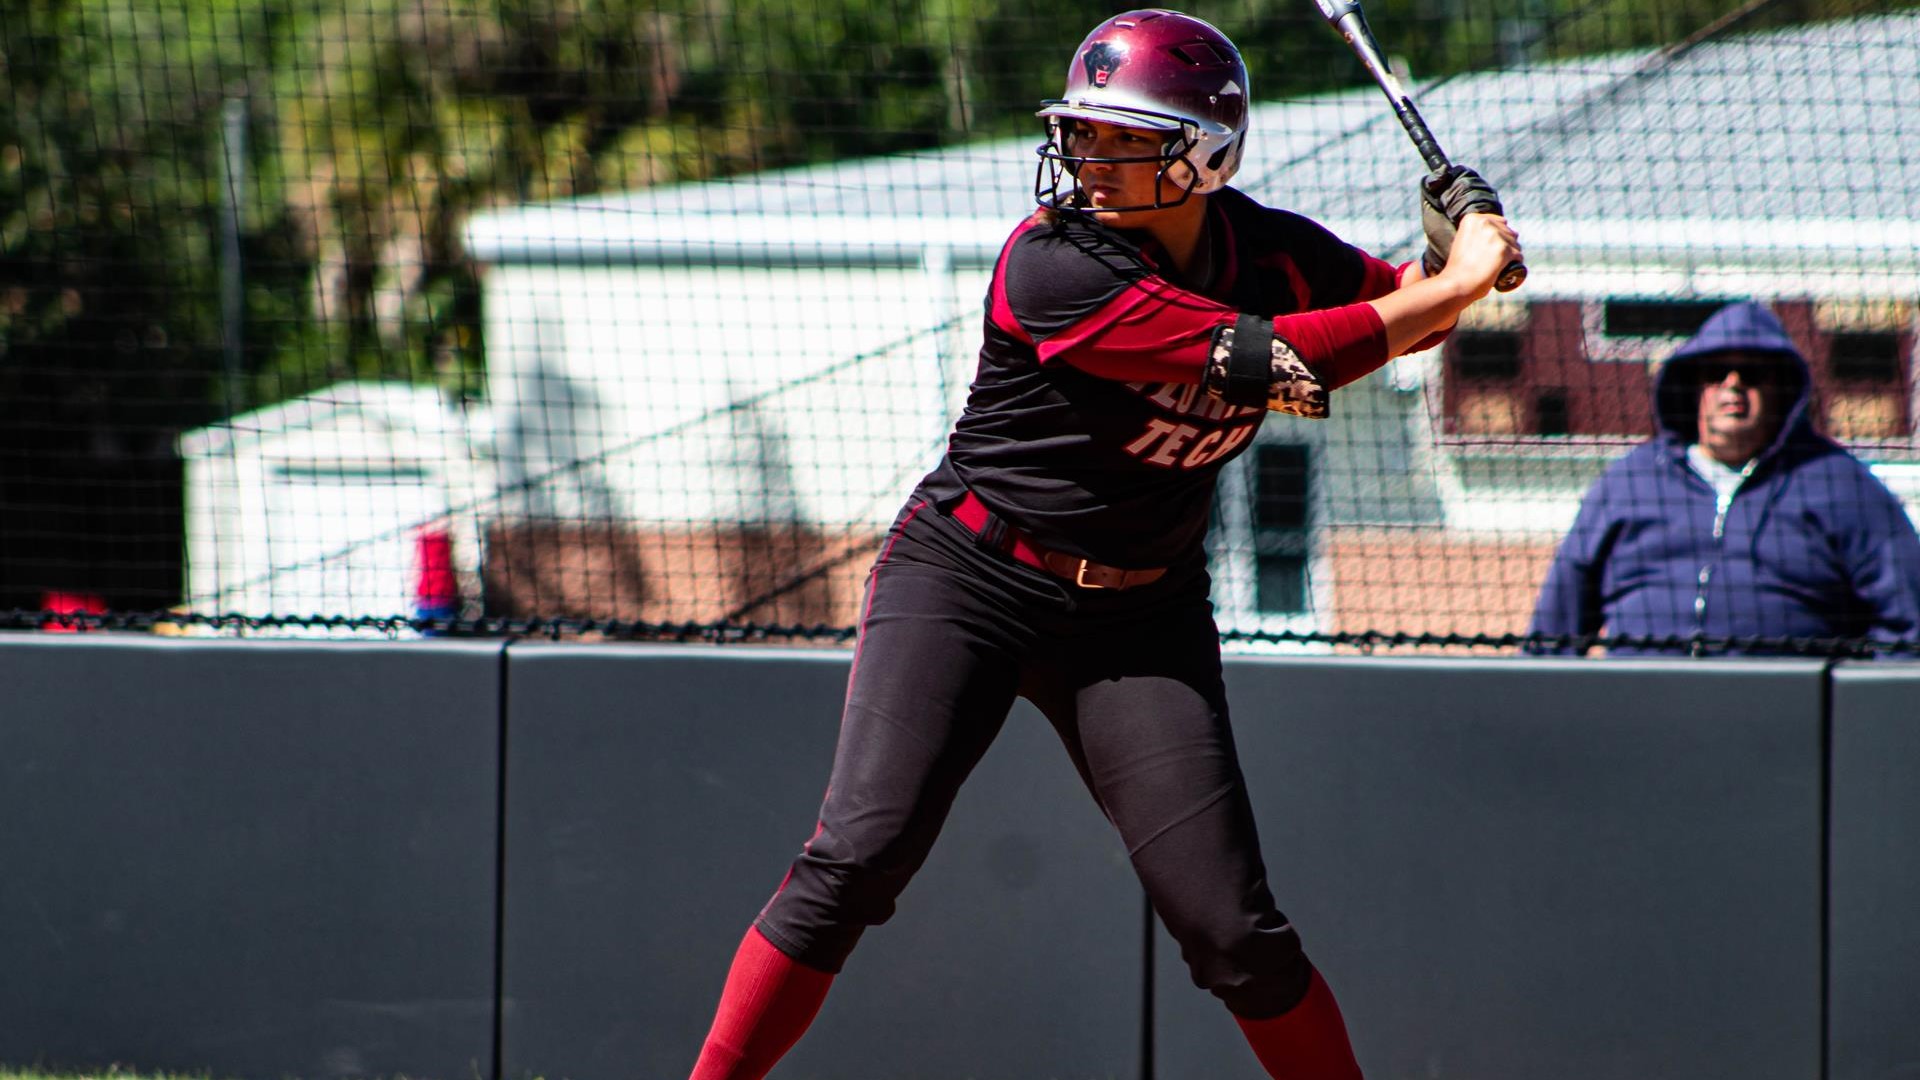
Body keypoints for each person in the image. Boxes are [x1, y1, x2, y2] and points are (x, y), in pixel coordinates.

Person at [686, 10, 1522, 1078]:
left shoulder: (1262, 247)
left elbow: (1405, 313)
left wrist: (1454, 252)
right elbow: (1278, 364)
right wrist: (1456, 285)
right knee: (857, 858)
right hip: (971, 579)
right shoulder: (1053, 265)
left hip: (1141, 616)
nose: (1092, 156)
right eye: (1084, 132)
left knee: (1234, 933)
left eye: (1129, 137)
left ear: (1209, 152)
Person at [1529, 300, 1920, 654]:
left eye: (1751, 373)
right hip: (1642, 710)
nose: (1732, 385)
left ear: (1781, 388)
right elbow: (1556, 627)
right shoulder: (1629, 482)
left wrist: (1860, 712)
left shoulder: (1840, 484)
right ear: (1693, 385)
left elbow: (1908, 621)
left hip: (1788, 717)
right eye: (1716, 373)